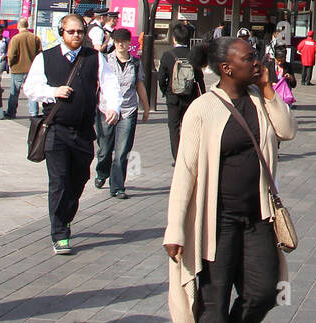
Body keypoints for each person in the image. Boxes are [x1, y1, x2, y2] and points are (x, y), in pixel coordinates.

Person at [163, 35, 296, 323]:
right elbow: (184, 171)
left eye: (255, 56)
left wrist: (267, 89)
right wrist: (175, 229)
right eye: (248, 58)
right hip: (216, 222)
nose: (256, 62)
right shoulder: (202, 109)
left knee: (265, 290)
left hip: (257, 218)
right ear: (226, 68)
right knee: (213, 303)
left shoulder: (259, 101)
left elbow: (287, 131)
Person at [23, 13, 119, 255]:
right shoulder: (45, 58)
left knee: (78, 180)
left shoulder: (94, 57)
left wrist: (112, 106)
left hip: (84, 132)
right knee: (59, 181)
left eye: (79, 32)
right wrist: (53, 91)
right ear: (61, 33)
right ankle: (59, 232)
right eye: (71, 32)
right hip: (57, 130)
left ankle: (65, 216)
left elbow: (109, 84)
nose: (76, 36)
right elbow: (30, 88)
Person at [95, 28, 149, 199]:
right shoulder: (105, 61)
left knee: (122, 151)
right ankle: (102, 172)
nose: (120, 44)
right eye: (117, 41)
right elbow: (97, 85)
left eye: (124, 41)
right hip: (106, 109)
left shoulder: (136, 63)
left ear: (128, 44)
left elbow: (139, 85)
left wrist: (146, 107)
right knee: (105, 149)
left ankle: (118, 186)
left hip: (128, 110)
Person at [159, 22, 203, 163]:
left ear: (174, 38)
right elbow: (200, 78)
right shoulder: (193, 54)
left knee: (174, 126)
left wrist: (165, 90)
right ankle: (190, 154)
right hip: (191, 96)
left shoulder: (167, 55)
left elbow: (161, 78)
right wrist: (203, 94)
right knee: (190, 126)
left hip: (173, 96)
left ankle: (177, 158)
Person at [6, 18, 42, 119]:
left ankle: (11, 112)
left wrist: (10, 65)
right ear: (27, 25)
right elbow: (40, 53)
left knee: (14, 93)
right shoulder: (35, 38)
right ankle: (34, 113)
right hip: (32, 69)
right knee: (32, 92)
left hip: (17, 69)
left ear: (18, 26)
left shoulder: (16, 38)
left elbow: (11, 54)